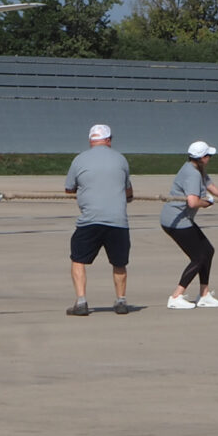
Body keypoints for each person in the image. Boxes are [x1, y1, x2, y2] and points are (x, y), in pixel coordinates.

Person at [159, 141, 218, 309]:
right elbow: (193, 202)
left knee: (208, 250)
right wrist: (207, 203)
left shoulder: (197, 170)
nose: (210, 158)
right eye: (208, 156)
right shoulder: (192, 174)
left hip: (181, 219)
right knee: (199, 256)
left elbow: (213, 188)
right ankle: (176, 296)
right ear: (201, 158)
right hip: (176, 221)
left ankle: (204, 295)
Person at [63, 122, 135, 315]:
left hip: (89, 220)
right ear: (108, 140)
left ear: (91, 140)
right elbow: (129, 191)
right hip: (117, 221)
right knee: (119, 262)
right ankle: (121, 300)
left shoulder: (79, 159)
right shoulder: (121, 159)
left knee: (78, 259)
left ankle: (81, 301)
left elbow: (69, 188)